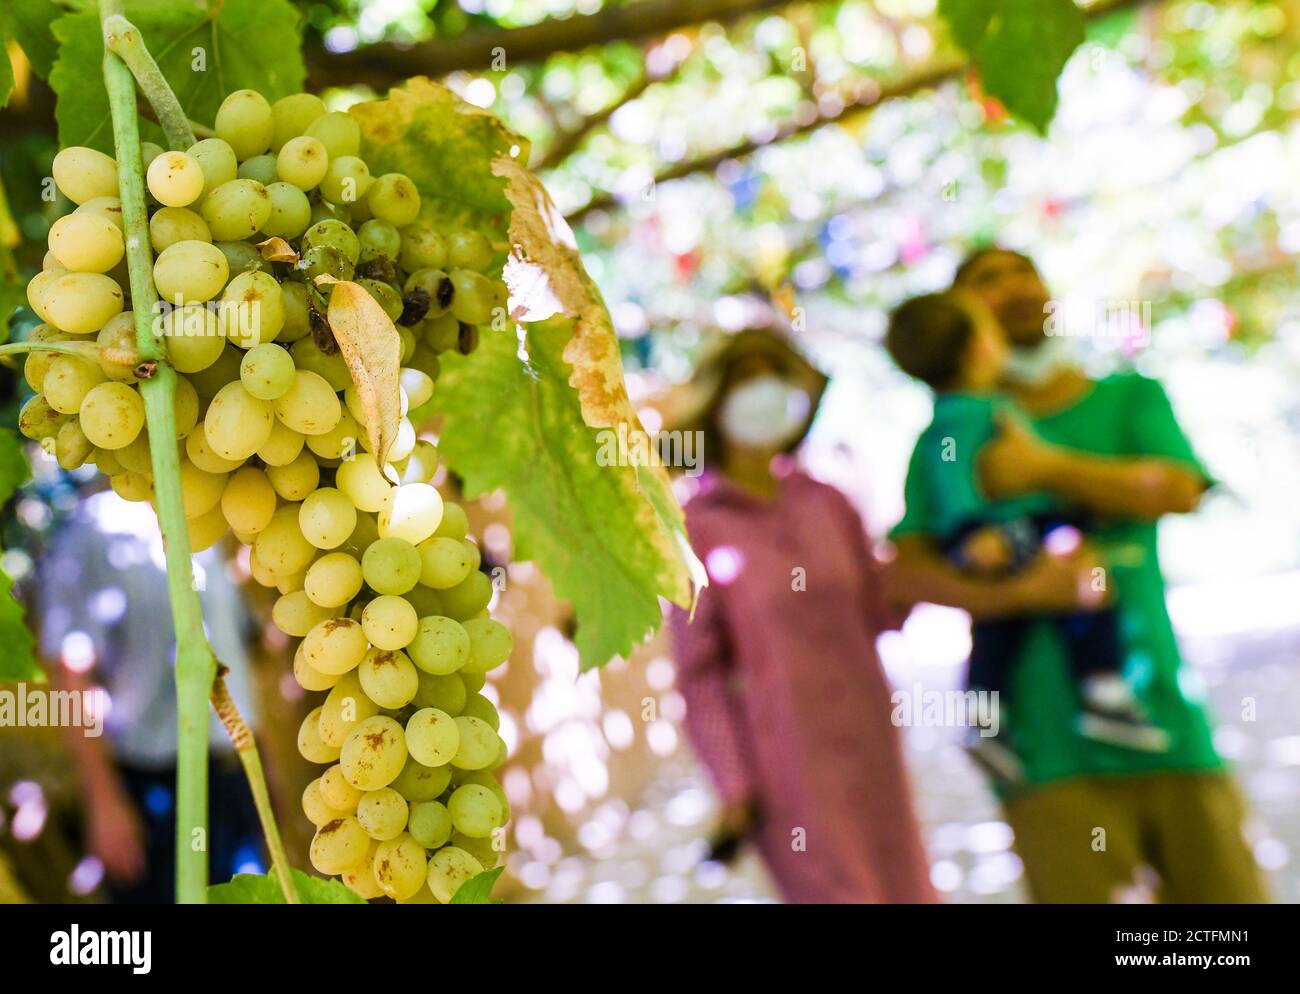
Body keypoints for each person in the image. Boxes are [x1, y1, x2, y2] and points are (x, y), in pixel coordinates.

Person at [888, 246, 1269, 903]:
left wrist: (1045, 469)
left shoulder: (1129, 395)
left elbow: (1179, 488)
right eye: (987, 281)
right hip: (1043, 756)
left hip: (1166, 725)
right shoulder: (950, 434)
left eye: (1023, 270)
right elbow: (905, 573)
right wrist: (1020, 593)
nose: (1013, 288)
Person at [667, 326, 937, 904]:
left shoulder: (828, 502)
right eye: (747, 377)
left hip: (869, 737)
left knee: (905, 885)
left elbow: (881, 611)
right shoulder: (696, 526)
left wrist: (929, 552)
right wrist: (734, 783)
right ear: (717, 399)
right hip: (785, 762)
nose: (763, 390)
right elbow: (699, 672)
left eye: (776, 376)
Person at [885, 290, 1169, 782]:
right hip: (1005, 531)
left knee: (1001, 625)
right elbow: (952, 475)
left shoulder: (964, 413)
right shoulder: (971, 413)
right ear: (979, 348)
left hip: (1000, 531)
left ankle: (989, 721)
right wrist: (972, 530)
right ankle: (1104, 693)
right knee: (1084, 582)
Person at [36, 482, 264, 903]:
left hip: (235, 777)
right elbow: (70, 672)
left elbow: (236, 655)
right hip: (153, 788)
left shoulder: (209, 514)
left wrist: (268, 780)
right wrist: (103, 799)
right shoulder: (91, 532)